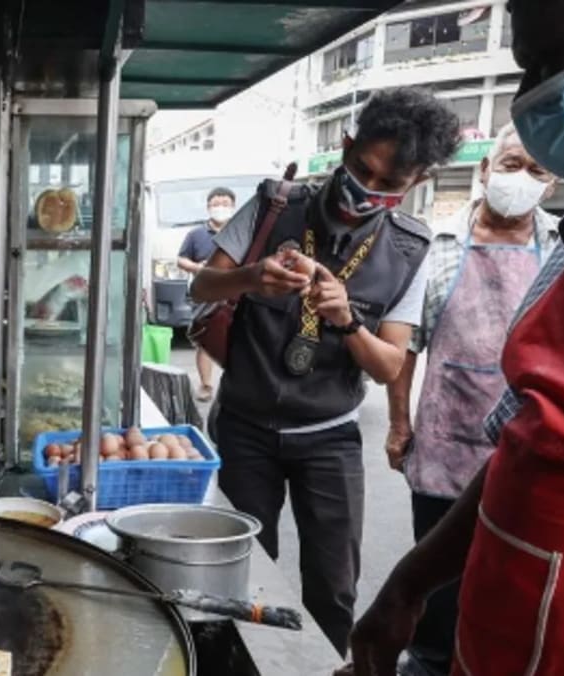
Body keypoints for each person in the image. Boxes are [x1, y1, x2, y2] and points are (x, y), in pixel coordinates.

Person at [346, 2, 564, 674]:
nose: (525, 101)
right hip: (498, 628)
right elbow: (535, 441)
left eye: (546, 63)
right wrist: (410, 582)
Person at [191, 87, 461, 655]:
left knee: (334, 587)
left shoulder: (409, 248)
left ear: (415, 184)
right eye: (363, 170)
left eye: (391, 185)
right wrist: (250, 277)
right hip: (244, 428)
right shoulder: (273, 205)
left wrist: (347, 322)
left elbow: (390, 365)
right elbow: (200, 286)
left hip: (328, 440)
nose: (370, 191)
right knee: (237, 571)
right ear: (345, 145)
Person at [383, 125, 559, 676]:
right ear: (484, 171)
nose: (522, 180)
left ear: (551, 186)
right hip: (443, 451)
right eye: (511, 165)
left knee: (513, 593)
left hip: (527, 458)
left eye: (538, 171)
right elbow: (407, 346)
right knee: (436, 597)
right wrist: (398, 425)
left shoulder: (563, 249)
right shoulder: (439, 248)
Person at [177, 187, 236, 402]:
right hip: (206, 292)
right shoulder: (196, 234)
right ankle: (206, 384)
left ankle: (237, 384)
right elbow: (181, 259)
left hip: (235, 292)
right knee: (206, 337)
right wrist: (198, 269)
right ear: (208, 207)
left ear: (233, 207)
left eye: (225, 203)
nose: (221, 208)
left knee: (239, 338)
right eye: (216, 204)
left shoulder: (241, 231)